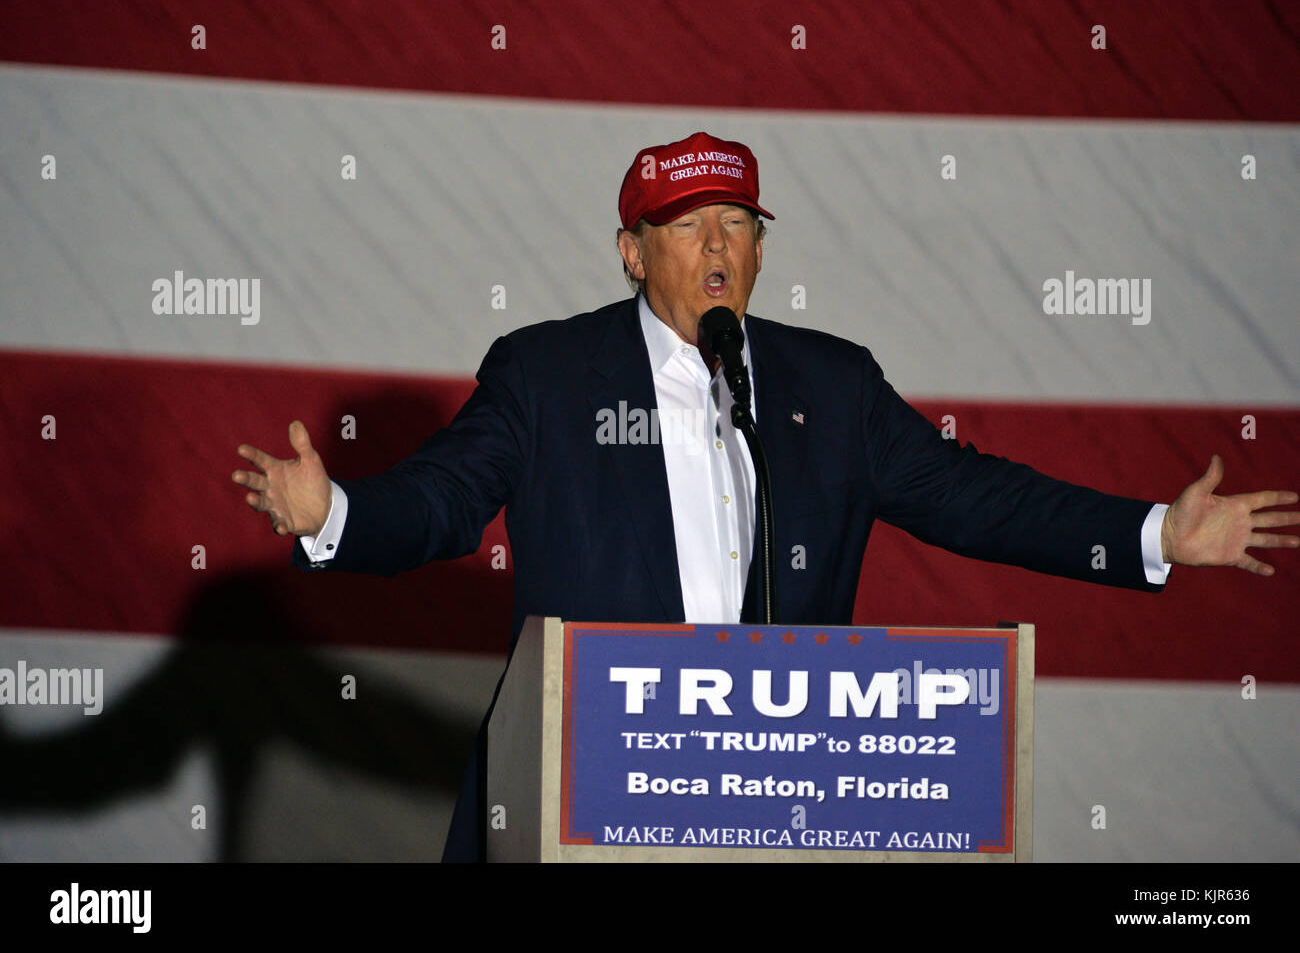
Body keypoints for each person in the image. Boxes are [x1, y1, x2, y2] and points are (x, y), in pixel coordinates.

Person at [232, 131, 1299, 860]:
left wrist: (1154, 530)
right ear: (630, 251)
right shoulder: (547, 376)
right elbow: (444, 498)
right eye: (686, 223)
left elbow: (972, 496)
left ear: (760, 249)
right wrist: (337, 516)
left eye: (737, 223)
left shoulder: (830, 387)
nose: (715, 248)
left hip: (782, 806)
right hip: (591, 799)